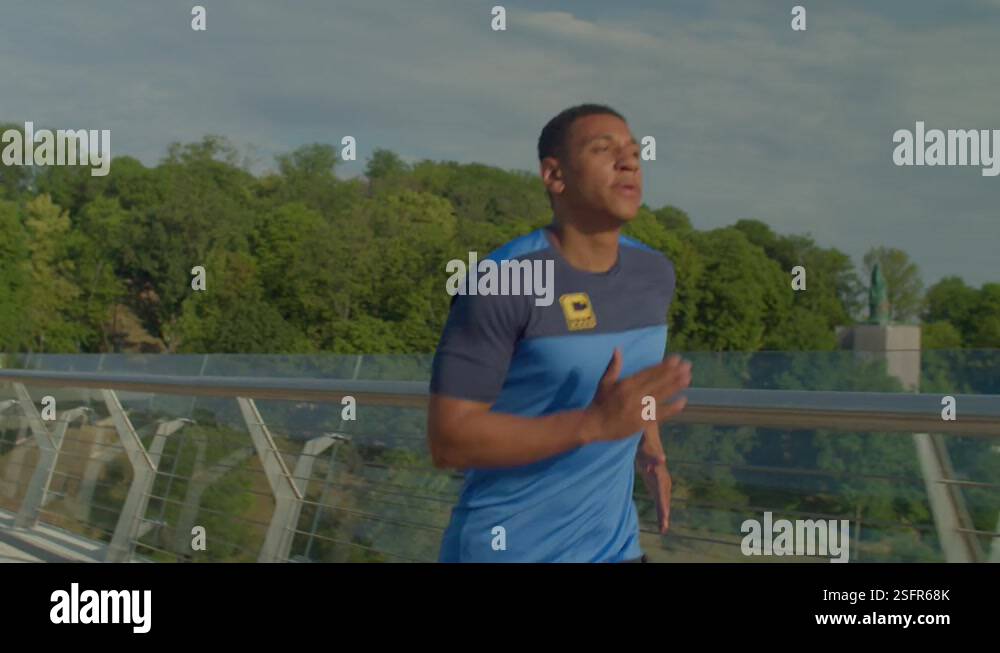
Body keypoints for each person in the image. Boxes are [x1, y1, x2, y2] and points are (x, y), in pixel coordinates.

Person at [427, 103, 692, 562]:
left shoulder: (655, 274)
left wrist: (649, 443)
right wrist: (593, 426)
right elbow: (449, 441)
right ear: (554, 175)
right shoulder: (502, 281)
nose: (629, 161)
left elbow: (625, 379)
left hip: (616, 550)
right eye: (603, 149)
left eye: (633, 151)